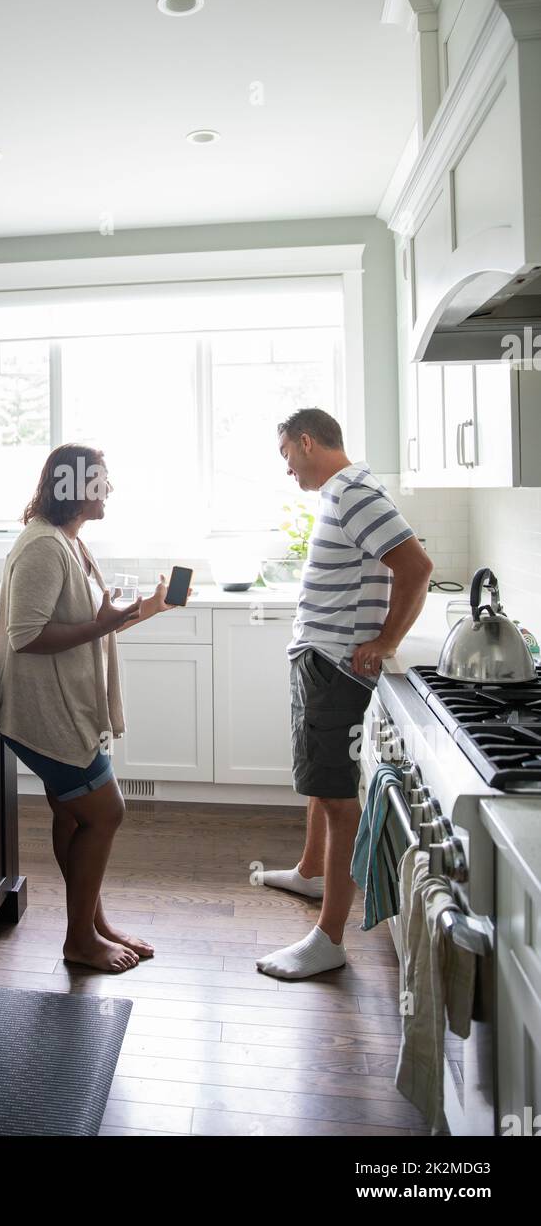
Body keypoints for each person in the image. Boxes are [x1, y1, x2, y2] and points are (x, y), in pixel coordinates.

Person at [0, 443, 186, 974]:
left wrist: (144, 611)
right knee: (107, 812)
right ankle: (79, 939)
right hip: (44, 713)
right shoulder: (43, 548)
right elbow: (27, 636)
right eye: (102, 480)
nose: (110, 489)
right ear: (75, 486)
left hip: (64, 705)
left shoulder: (71, 543)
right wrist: (104, 623)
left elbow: (90, 622)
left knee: (74, 817)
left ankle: (92, 925)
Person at [257, 408, 432, 981]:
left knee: (336, 798)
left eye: (286, 455)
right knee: (320, 780)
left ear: (307, 442)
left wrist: (387, 639)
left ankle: (328, 938)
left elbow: (415, 566)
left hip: (336, 669)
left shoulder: (353, 491)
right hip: (320, 659)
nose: (287, 469)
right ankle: (310, 872)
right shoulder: (342, 491)